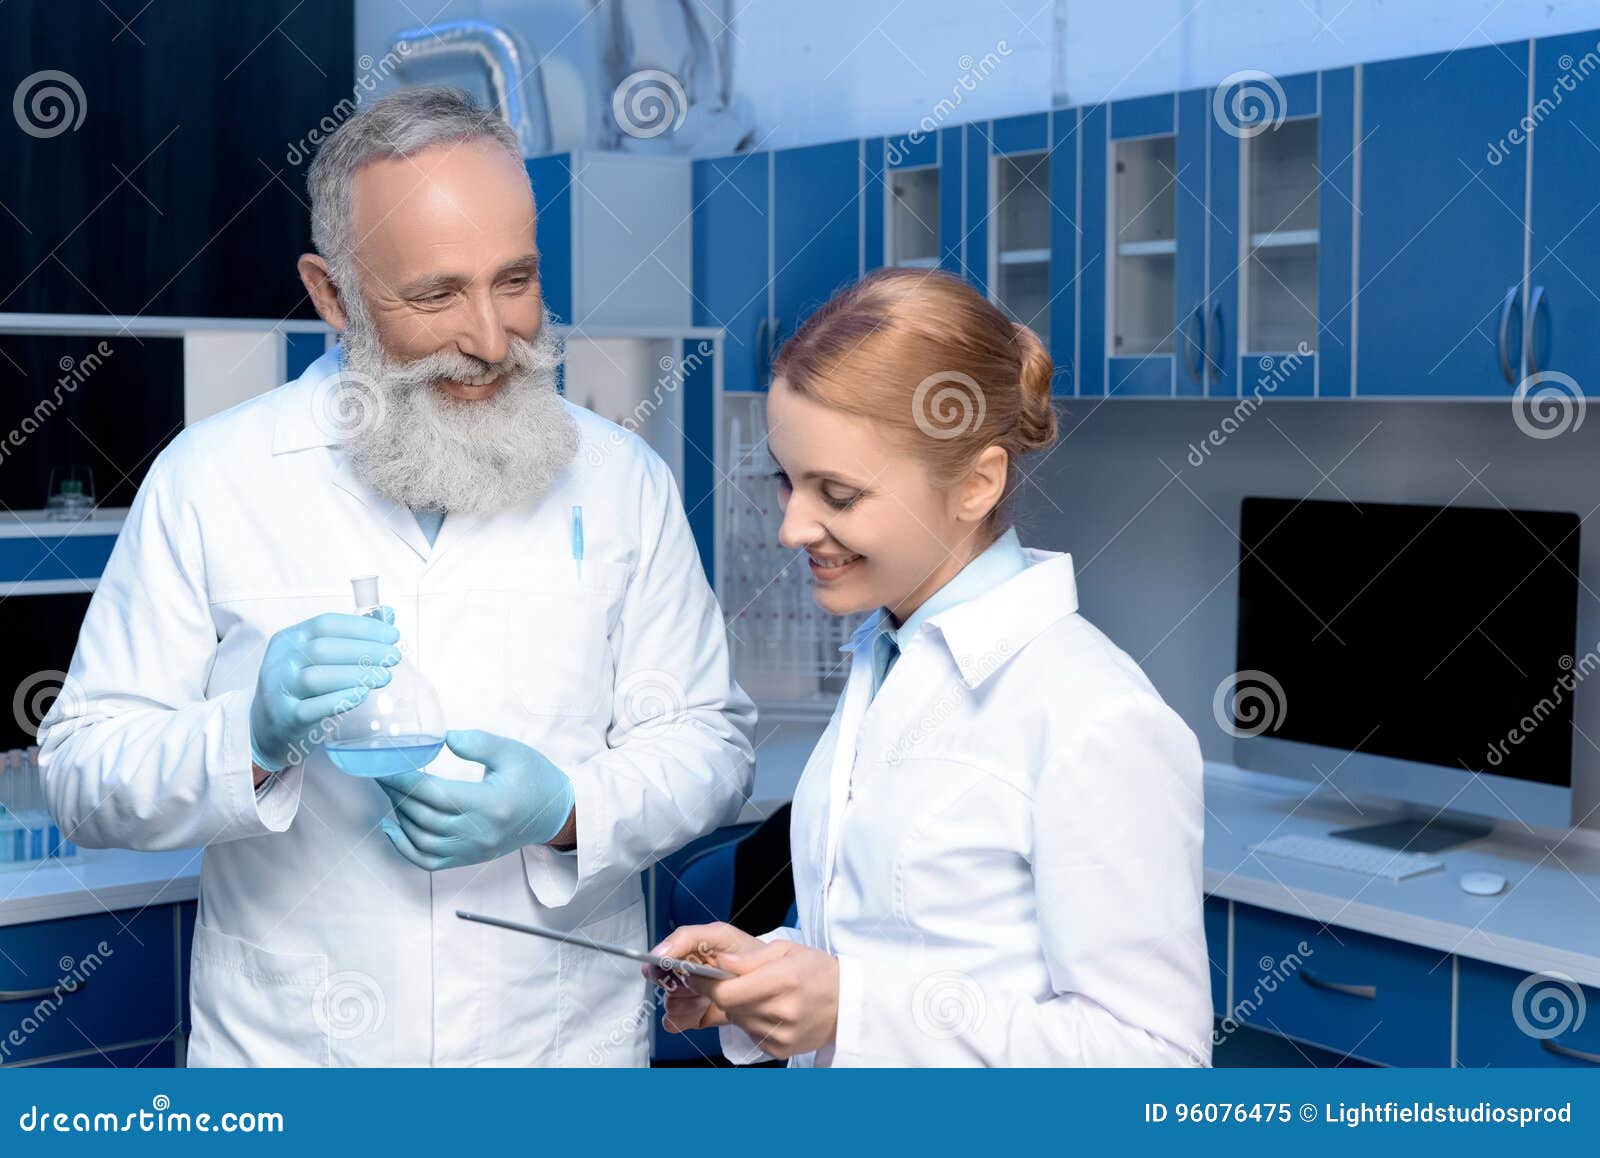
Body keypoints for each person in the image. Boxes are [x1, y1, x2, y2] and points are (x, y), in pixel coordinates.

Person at [38, 87, 754, 1067]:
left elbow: (707, 739)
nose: (493, 340)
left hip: (549, 1055)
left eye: (516, 280)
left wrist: (569, 809)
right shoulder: (211, 480)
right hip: (296, 1058)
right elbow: (82, 774)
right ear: (331, 293)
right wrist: (242, 737)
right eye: (435, 295)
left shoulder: (620, 478)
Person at [653, 268, 1210, 1066]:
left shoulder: (1097, 718)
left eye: (838, 495)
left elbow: (1155, 1062)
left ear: (976, 484)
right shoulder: (886, 655)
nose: (792, 528)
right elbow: (891, 943)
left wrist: (855, 1011)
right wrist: (765, 974)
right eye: (787, 481)